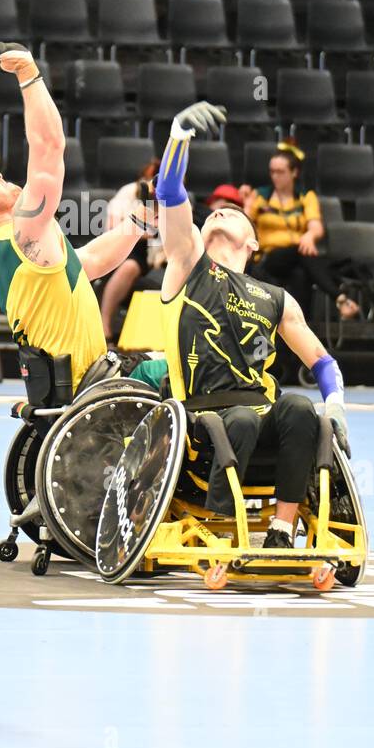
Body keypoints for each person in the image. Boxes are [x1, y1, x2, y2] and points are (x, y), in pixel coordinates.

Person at [152, 99, 351, 551]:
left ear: (254, 240)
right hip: (204, 417)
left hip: (262, 411)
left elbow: (320, 359)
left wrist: (336, 402)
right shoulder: (188, 266)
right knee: (239, 419)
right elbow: (169, 192)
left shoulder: (275, 297)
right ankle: (222, 526)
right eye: (213, 212)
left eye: (232, 212)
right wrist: (179, 134)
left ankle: (281, 530)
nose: (219, 211)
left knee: (301, 408)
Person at [0, 39, 158, 396]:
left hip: (76, 387)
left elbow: (90, 263)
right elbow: (49, 147)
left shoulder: (10, 255)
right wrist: (28, 73)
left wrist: (138, 223)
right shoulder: (24, 230)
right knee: (197, 364)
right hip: (96, 385)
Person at [243, 144, 360, 321]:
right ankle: (339, 297)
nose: (275, 176)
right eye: (272, 171)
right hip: (268, 258)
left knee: (301, 274)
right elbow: (244, 224)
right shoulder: (260, 196)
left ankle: (296, 333)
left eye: (280, 172)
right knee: (302, 251)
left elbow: (316, 227)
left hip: (296, 259)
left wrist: (310, 235)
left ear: (294, 173)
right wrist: (246, 204)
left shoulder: (306, 197)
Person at [100, 158, 163, 341]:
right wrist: (141, 230)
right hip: (126, 244)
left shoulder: (173, 199)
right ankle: (105, 324)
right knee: (129, 267)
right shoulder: (128, 192)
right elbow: (112, 225)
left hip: (157, 255)